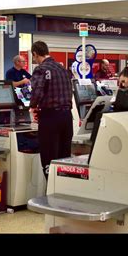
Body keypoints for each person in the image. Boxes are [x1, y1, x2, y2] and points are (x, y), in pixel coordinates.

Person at [30, 41, 73, 179]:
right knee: (63, 158)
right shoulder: (62, 69)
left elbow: (37, 92)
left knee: (49, 157)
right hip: (67, 117)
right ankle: (62, 190)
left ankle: (50, 191)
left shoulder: (41, 69)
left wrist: (32, 106)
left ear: (35, 54)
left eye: (34, 57)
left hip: (50, 118)